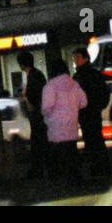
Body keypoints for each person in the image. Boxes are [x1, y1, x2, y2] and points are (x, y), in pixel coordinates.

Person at [42, 57, 87, 186]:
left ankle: (63, 181)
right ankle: (76, 179)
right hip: (72, 124)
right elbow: (84, 102)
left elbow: (46, 107)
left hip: (56, 126)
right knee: (72, 152)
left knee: (60, 154)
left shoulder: (50, 86)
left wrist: (47, 116)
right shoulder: (74, 84)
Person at [71, 47, 111, 183]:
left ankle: (98, 168)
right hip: (93, 112)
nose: (75, 61)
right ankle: (102, 167)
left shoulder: (79, 77)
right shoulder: (95, 74)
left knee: (91, 140)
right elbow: (104, 93)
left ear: (84, 58)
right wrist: (99, 106)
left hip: (86, 113)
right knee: (97, 139)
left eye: (77, 58)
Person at [17, 51, 48, 180]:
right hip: (40, 116)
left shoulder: (33, 76)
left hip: (37, 116)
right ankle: (41, 170)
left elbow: (33, 98)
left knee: (38, 144)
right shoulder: (37, 74)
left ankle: (38, 171)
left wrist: (25, 95)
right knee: (40, 143)